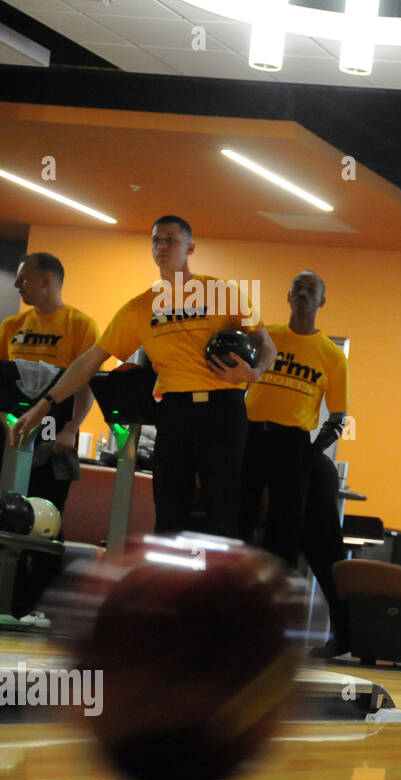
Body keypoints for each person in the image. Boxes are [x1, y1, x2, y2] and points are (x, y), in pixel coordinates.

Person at [9, 216, 275, 538]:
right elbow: (91, 359)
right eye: (156, 240)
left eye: (170, 240)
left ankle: (220, 587)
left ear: (190, 247)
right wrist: (44, 404)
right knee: (169, 511)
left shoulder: (222, 292)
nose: (161, 246)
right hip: (174, 411)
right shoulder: (140, 307)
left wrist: (255, 371)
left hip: (223, 408)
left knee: (222, 509)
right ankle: (165, 585)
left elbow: (266, 344)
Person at [239, 270, 350, 659]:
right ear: (288, 297)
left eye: (311, 292)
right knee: (238, 525)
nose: (303, 296)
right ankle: (234, 618)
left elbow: (338, 416)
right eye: (297, 290)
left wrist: (314, 450)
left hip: (293, 442)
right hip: (252, 435)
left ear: (322, 301)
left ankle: (275, 628)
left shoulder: (333, 357)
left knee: (284, 535)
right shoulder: (265, 337)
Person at [3, 253, 98, 511]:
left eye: (23, 279)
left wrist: (71, 428)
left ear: (47, 280)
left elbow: (86, 384)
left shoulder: (79, 324)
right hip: (11, 425)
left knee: (44, 508)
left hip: (54, 425)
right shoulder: (12, 326)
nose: (17, 285)